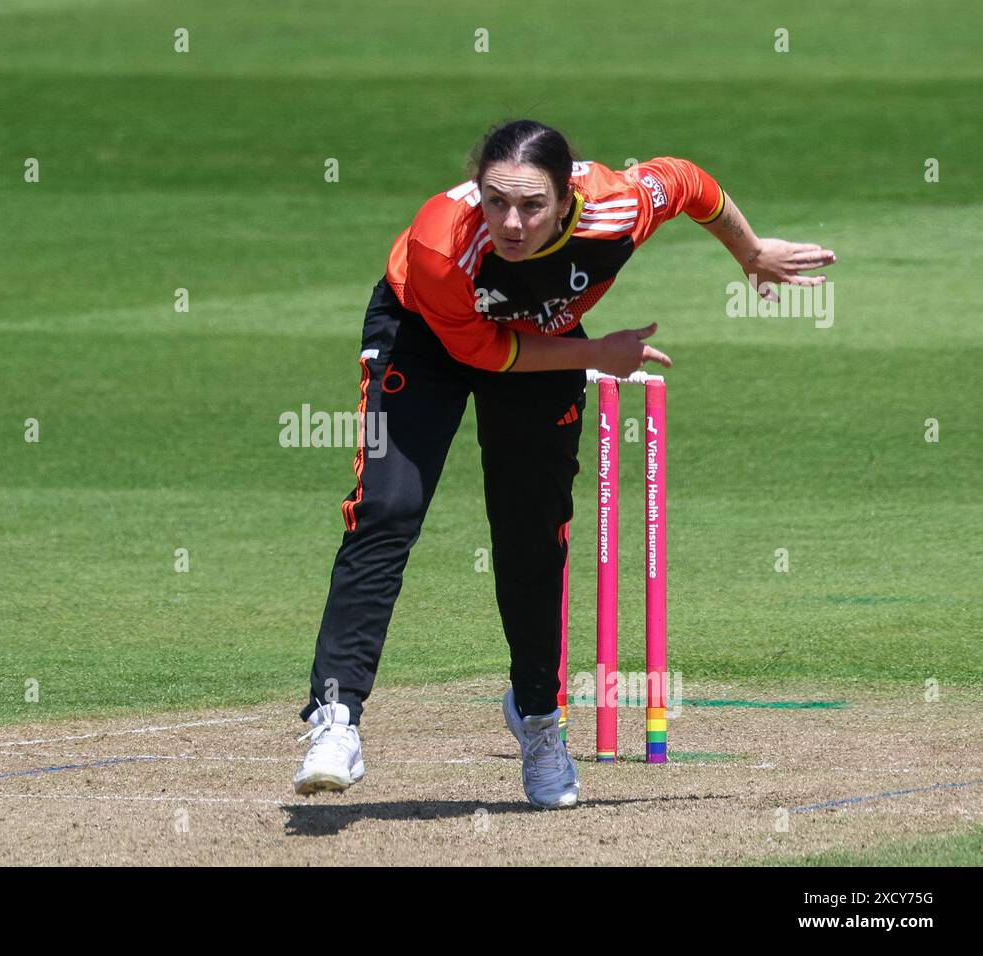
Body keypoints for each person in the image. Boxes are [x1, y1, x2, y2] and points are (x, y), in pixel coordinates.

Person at [292, 119, 835, 808]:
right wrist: (596, 354)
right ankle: (336, 718)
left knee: (532, 535)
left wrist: (750, 252)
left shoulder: (617, 206)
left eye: (531, 205)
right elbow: (485, 353)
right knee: (386, 509)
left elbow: (689, 183)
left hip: (543, 340)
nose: (510, 224)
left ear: (566, 197)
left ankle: (538, 719)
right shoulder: (441, 242)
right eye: (495, 202)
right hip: (424, 336)